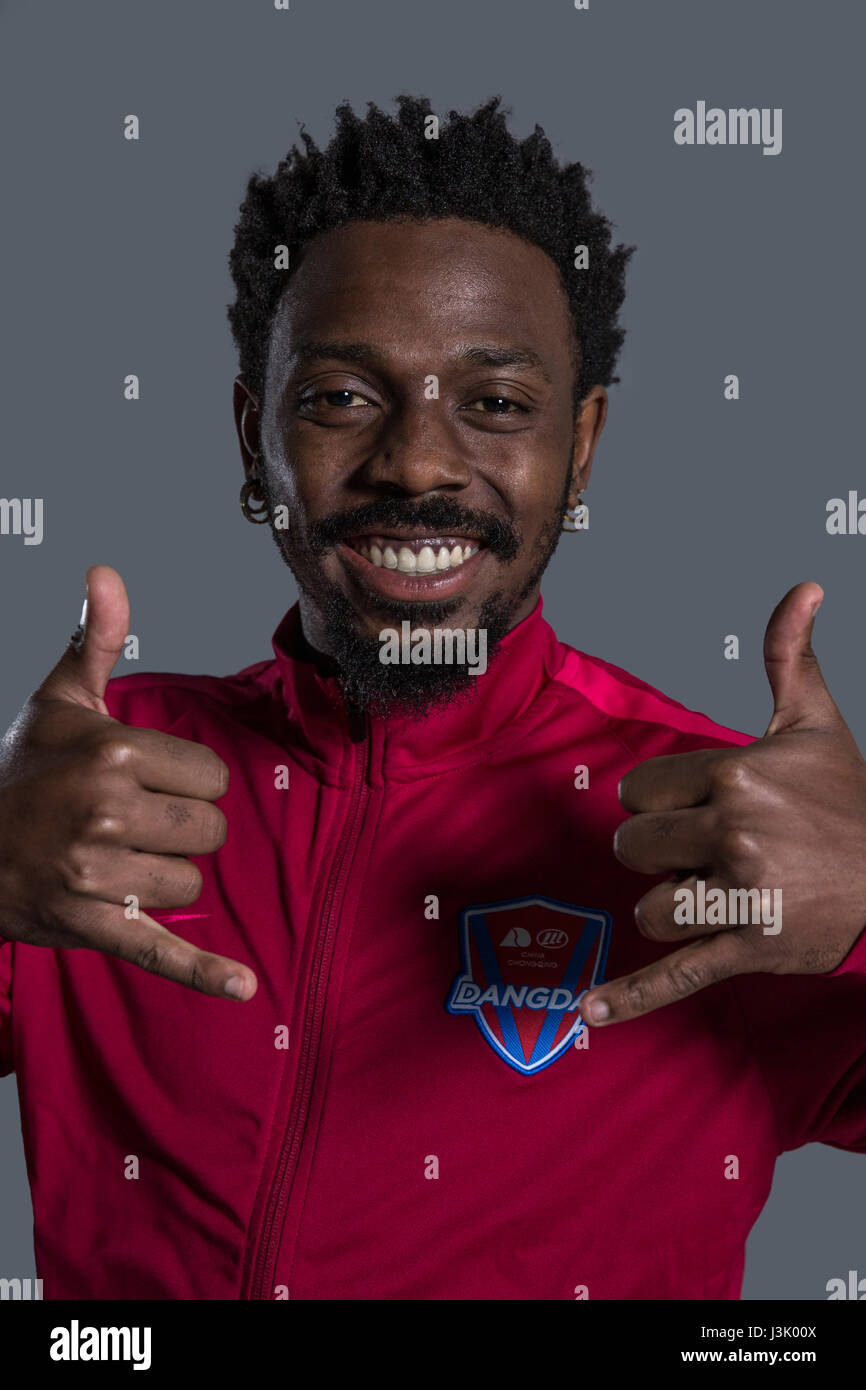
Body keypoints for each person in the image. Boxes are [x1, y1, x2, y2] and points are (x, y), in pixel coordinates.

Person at [1, 95, 865, 1301]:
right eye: (341, 397)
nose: (414, 463)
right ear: (254, 433)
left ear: (580, 449)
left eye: (497, 403)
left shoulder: (732, 831)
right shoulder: (95, 788)